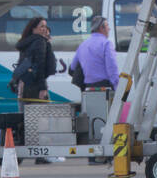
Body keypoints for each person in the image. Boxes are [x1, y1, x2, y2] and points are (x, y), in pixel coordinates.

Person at [11, 17, 58, 164]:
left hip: (23, 86)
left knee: (26, 121)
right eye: (41, 26)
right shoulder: (40, 42)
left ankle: (19, 154)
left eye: (45, 26)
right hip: (35, 87)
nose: (44, 29)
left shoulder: (27, 42)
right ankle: (41, 155)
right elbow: (41, 66)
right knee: (42, 122)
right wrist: (43, 88)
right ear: (34, 29)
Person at [69, 15, 120, 90]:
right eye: (107, 26)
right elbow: (112, 68)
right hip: (105, 87)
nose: (109, 29)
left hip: (88, 87)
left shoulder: (83, 45)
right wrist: (117, 86)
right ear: (101, 28)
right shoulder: (106, 44)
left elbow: (72, 68)